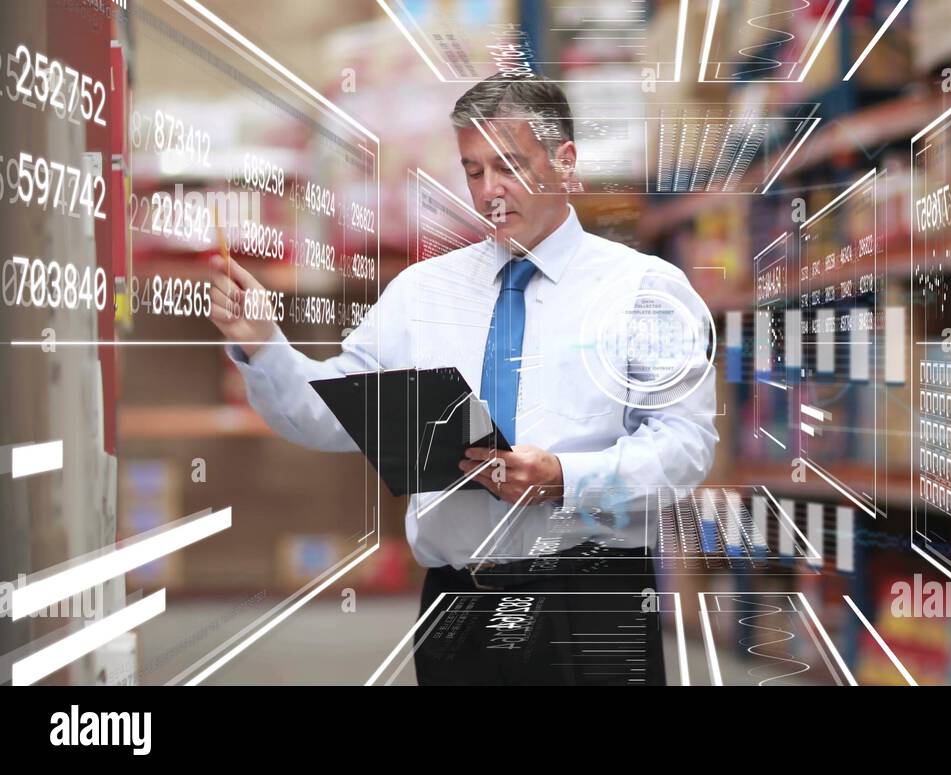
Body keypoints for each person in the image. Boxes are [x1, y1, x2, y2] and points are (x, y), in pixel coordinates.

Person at [205, 74, 718, 685]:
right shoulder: (420, 295)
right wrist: (265, 346)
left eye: (509, 166)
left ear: (566, 162)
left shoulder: (644, 290)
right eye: (474, 171)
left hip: (592, 606)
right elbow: (327, 414)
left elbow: (687, 446)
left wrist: (565, 478)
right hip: (458, 613)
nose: (491, 192)